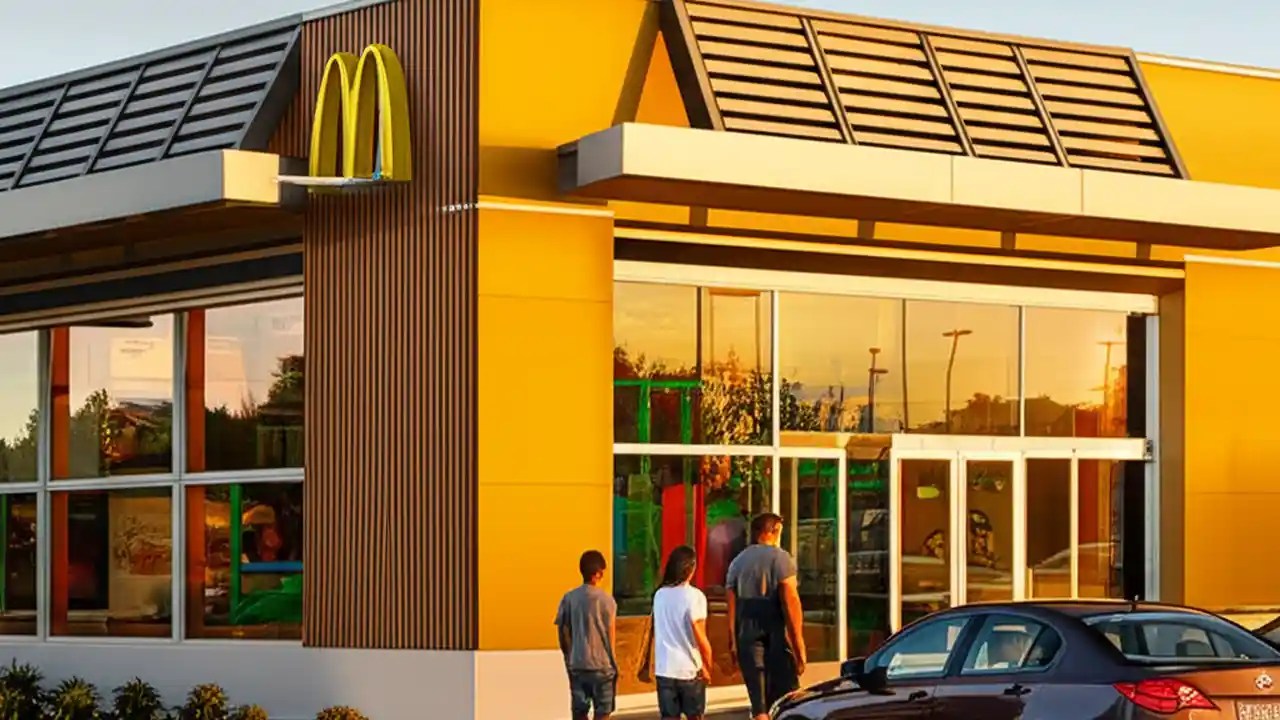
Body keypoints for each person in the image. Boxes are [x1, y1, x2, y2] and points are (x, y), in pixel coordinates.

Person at [726, 513, 806, 720]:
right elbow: (791, 603)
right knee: (789, 697)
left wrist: (733, 643)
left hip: (746, 628)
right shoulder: (781, 558)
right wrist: (799, 647)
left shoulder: (737, 562)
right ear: (774, 531)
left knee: (759, 703)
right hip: (775, 629)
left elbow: (731, 607)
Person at [652, 545, 714, 720]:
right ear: (691, 568)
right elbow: (699, 635)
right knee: (695, 716)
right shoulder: (695, 597)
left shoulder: (659, 595)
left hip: (665, 669)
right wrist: (708, 664)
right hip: (689, 669)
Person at [555, 550, 618, 720]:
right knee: (603, 712)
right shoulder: (607, 601)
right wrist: (614, 664)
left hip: (578, 664)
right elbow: (611, 637)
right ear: (598, 574)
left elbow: (562, 631)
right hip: (602, 665)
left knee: (579, 712)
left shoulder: (569, 599)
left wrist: (569, 656)